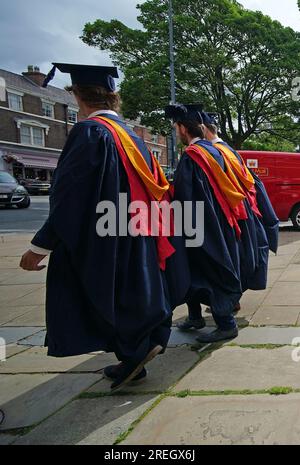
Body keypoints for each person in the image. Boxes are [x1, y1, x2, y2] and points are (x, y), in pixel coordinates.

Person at [20, 63, 190, 392]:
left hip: (106, 237)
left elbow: (70, 196)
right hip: (139, 230)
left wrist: (41, 245)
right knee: (132, 292)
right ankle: (136, 355)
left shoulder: (90, 132)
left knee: (98, 291)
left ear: (78, 95)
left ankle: (135, 351)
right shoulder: (132, 137)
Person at [166, 104, 244, 343]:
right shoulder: (215, 151)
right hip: (219, 219)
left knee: (211, 270)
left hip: (202, 224)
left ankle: (226, 323)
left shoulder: (193, 156)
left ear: (182, 128)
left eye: (175, 128)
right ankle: (195, 316)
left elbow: (186, 196)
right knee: (199, 270)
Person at [201, 112, 278, 298]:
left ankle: (231, 299)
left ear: (204, 130)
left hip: (236, 213)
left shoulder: (219, 153)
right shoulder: (228, 149)